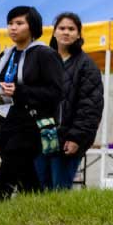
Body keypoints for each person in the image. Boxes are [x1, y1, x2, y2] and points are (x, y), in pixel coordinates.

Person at [0, 6, 63, 201]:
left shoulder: (44, 54)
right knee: (26, 176)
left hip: (31, 126)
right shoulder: (5, 55)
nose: (13, 28)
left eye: (19, 23)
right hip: (6, 123)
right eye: (10, 23)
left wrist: (18, 92)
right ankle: (38, 209)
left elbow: (56, 92)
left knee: (5, 177)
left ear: (32, 27)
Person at [42, 12, 102, 192]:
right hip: (41, 138)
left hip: (68, 141)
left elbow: (91, 107)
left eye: (71, 29)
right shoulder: (44, 61)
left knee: (59, 192)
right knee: (36, 192)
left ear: (78, 34)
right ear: (54, 33)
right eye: (61, 28)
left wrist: (76, 138)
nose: (66, 32)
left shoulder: (86, 65)